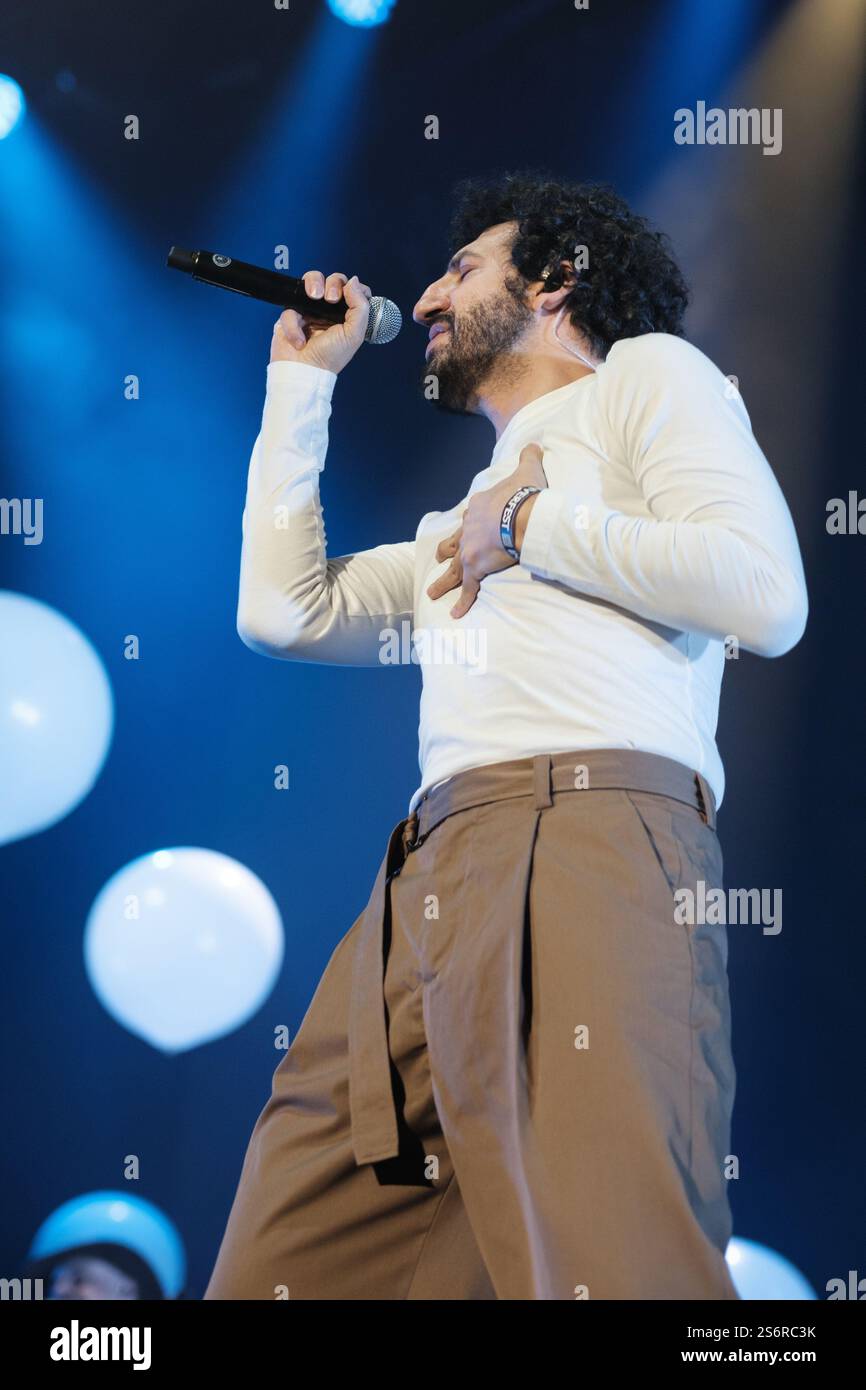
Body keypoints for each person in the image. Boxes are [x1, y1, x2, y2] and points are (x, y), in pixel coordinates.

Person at [204, 172, 808, 1300]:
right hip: (426, 881)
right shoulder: (452, 522)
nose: (427, 296)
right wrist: (300, 391)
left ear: (555, 282)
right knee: (288, 1263)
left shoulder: (642, 380)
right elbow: (282, 613)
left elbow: (766, 596)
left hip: (591, 834)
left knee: (616, 1258)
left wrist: (532, 523)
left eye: (462, 267)